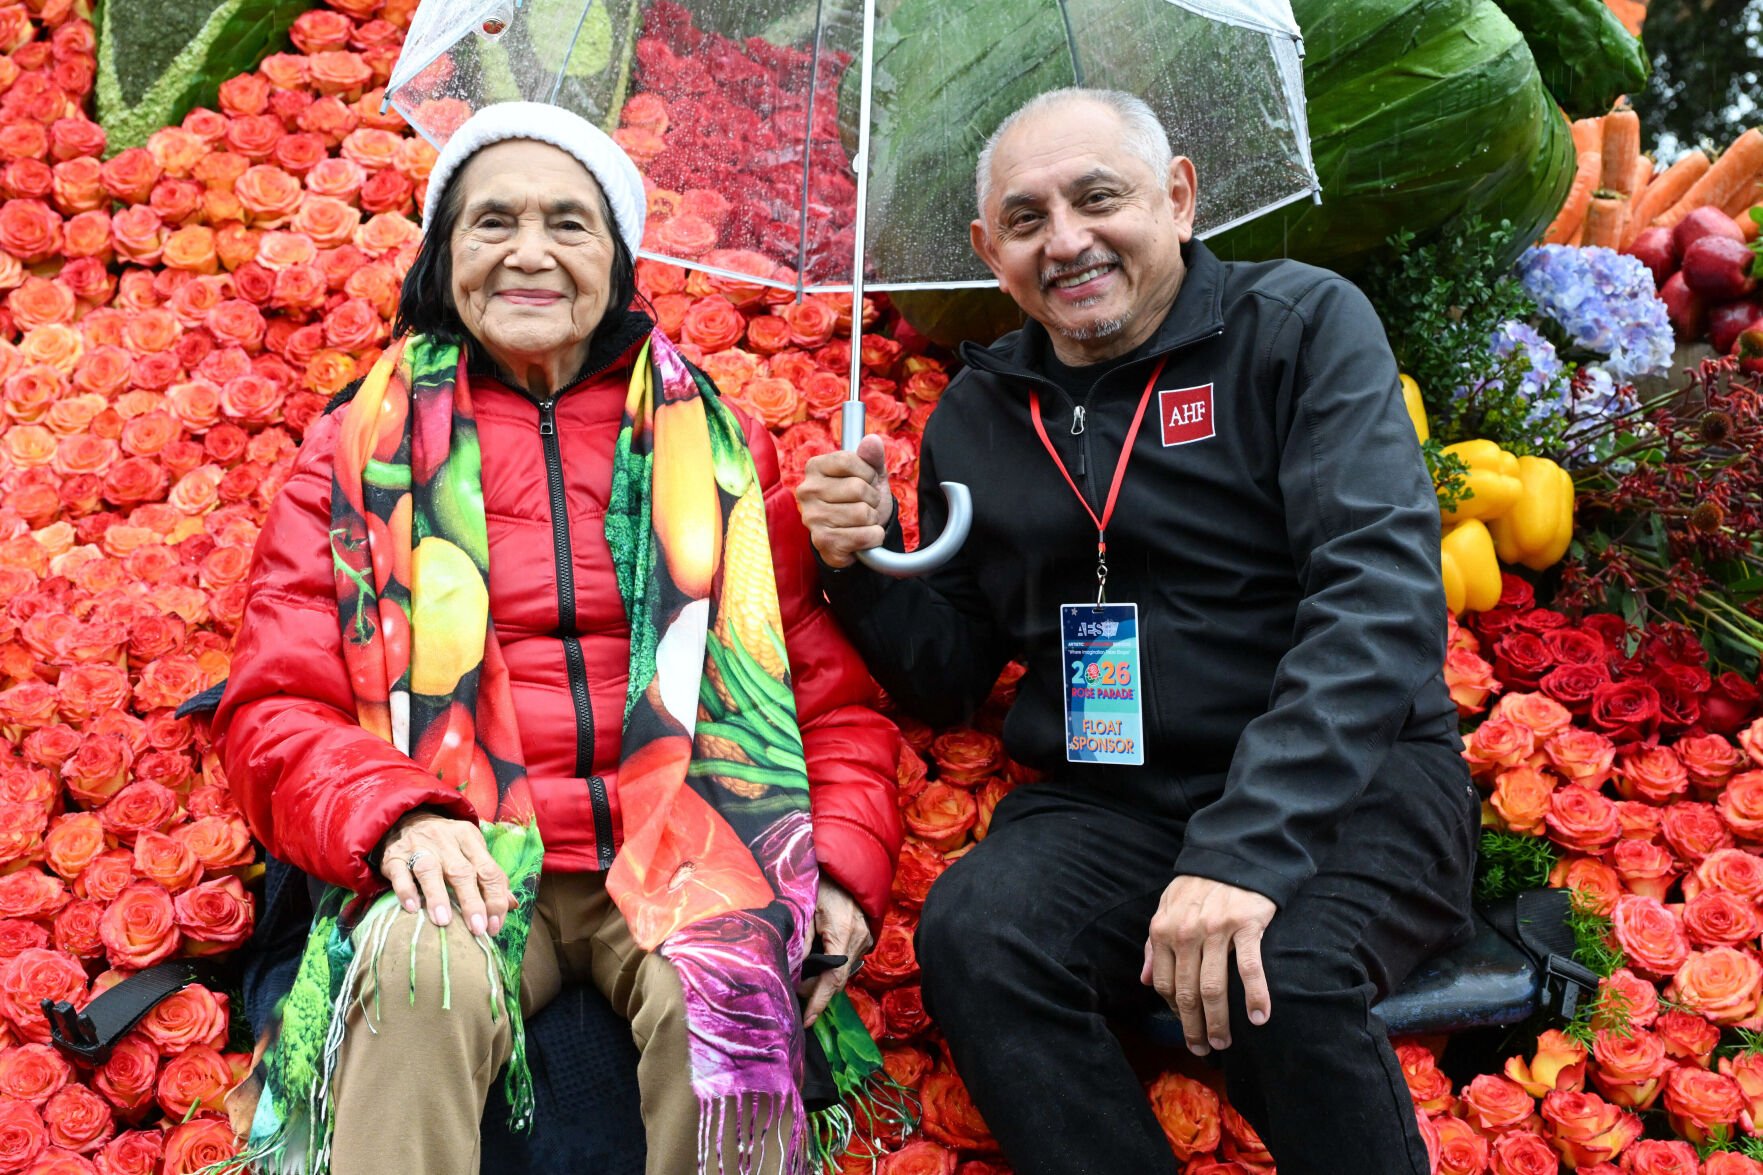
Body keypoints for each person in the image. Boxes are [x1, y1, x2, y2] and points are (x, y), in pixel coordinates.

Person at [795, 88, 1477, 1174]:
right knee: (979, 934)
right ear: (988, 249)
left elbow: (1376, 600)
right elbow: (950, 669)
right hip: (1113, 798)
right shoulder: (979, 415)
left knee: (1275, 977)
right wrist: (861, 564)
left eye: (1096, 197)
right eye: (1024, 220)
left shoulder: (1299, 328)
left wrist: (1242, 854)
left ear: (1177, 195)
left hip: (1351, 787)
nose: (1065, 240)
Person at [212, 101, 902, 1175]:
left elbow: (824, 699)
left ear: (617, 261)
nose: (529, 252)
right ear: (447, 256)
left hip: (682, 849)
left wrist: (847, 876)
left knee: (731, 982)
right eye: (492, 223)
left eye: (568, 224)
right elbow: (273, 705)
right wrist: (396, 820)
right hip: (471, 852)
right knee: (413, 965)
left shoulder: (723, 447)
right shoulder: (350, 452)